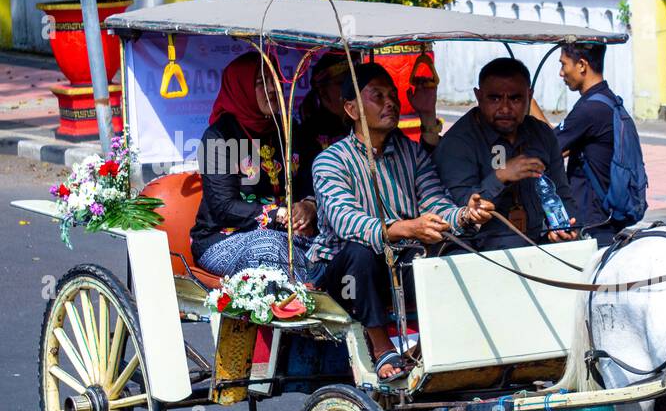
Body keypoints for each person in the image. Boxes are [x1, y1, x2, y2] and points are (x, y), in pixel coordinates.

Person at [308, 62, 494, 382]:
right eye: (377, 96)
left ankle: (425, 347)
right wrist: (406, 227)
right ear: (352, 108)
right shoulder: (330, 161)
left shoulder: (412, 154)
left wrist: (464, 214)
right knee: (360, 252)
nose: (390, 102)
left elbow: (435, 202)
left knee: (451, 252)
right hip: (343, 274)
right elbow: (345, 220)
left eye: (392, 95)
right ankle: (381, 348)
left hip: (398, 264)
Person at [190, 51, 316, 281]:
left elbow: (311, 177)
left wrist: (309, 205)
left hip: (287, 233)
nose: (271, 88)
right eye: (261, 82)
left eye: (275, 80)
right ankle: (298, 303)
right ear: (241, 90)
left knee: (345, 243)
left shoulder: (289, 129)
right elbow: (223, 206)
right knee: (269, 247)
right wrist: (278, 214)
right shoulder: (219, 137)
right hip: (224, 238)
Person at [434, 56, 579, 252]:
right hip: (480, 254)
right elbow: (460, 211)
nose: (505, 108)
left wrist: (564, 229)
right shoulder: (458, 142)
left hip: (539, 247)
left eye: (515, 98)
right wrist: (501, 176)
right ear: (478, 96)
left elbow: (562, 194)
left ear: (530, 96)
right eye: (494, 98)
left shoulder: (542, 134)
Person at [553, 42, 631, 245]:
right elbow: (562, 143)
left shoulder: (589, 109)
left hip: (592, 221)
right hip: (607, 215)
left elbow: (548, 146)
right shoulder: (608, 100)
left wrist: (528, 101)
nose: (561, 73)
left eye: (564, 64)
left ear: (581, 65)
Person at [297, 51, 351, 163]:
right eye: (340, 83)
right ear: (323, 91)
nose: (348, 88)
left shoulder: (359, 122)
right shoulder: (309, 132)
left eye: (350, 82)